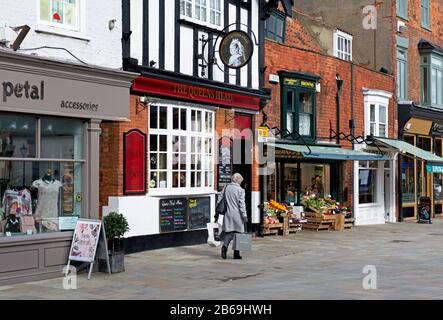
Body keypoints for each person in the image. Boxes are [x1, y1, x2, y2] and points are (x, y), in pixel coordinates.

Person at [216, 173, 248, 260]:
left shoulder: (226, 187)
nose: (241, 183)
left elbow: (220, 199)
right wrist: (244, 215)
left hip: (228, 213)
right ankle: (236, 254)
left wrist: (218, 209)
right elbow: (242, 204)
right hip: (238, 215)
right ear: (238, 181)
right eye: (240, 181)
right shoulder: (240, 190)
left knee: (229, 233)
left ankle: (224, 247)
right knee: (238, 234)